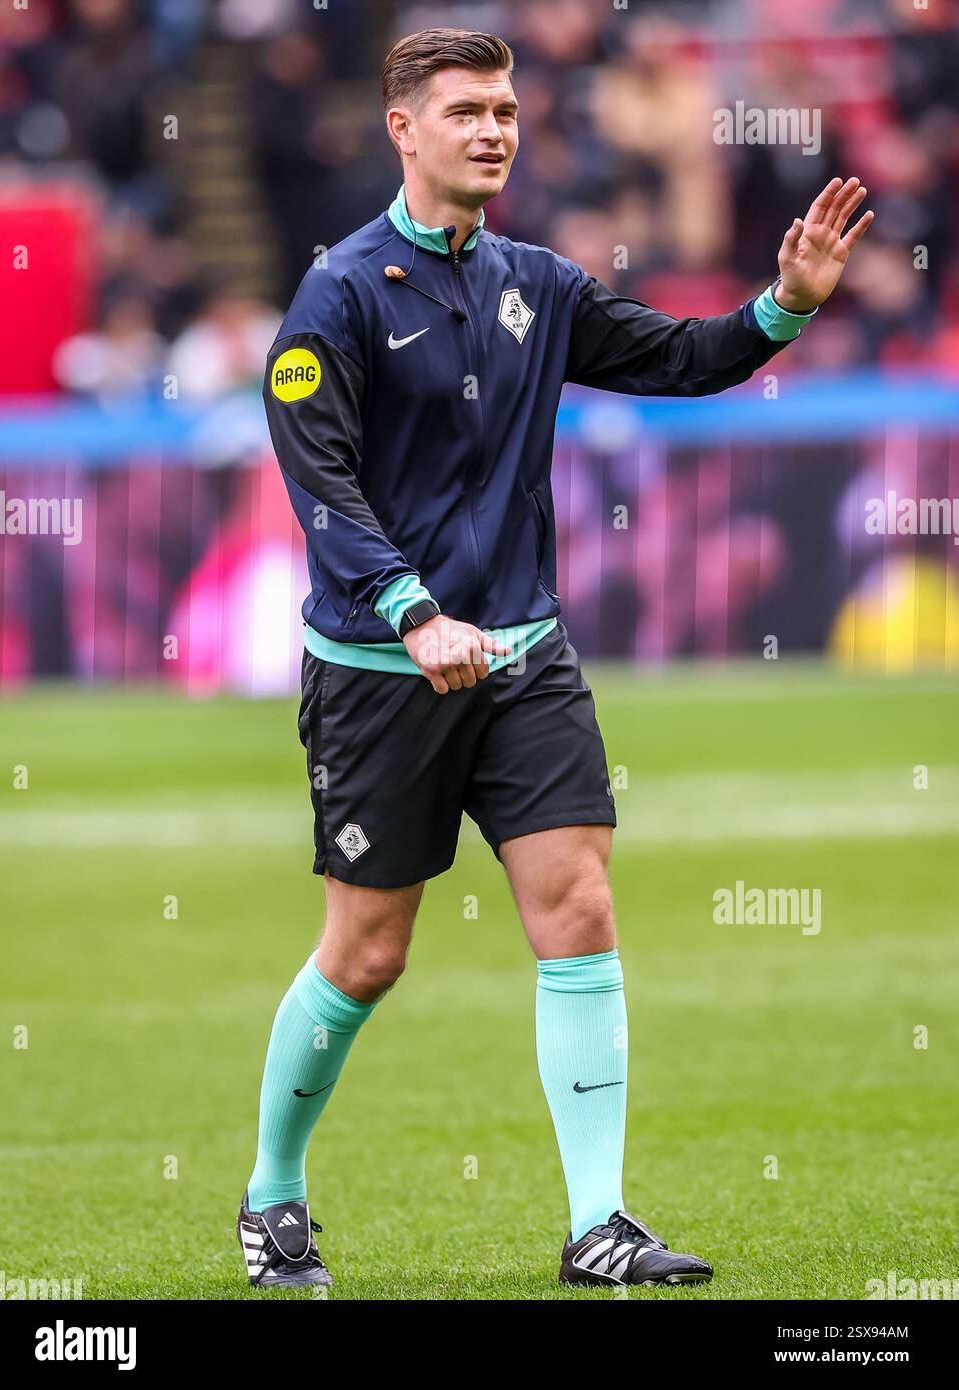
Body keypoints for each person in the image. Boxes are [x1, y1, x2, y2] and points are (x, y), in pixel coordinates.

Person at [238, 27, 873, 1290]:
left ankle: (597, 1224)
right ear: (401, 131)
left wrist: (782, 307)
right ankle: (273, 1195)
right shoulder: (338, 295)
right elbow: (318, 486)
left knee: (577, 905)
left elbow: (676, 358)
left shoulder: (539, 282)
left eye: (509, 111)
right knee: (368, 953)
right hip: (381, 672)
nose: (493, 129)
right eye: (466, 109)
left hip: (523, 656)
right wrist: (414, 614)